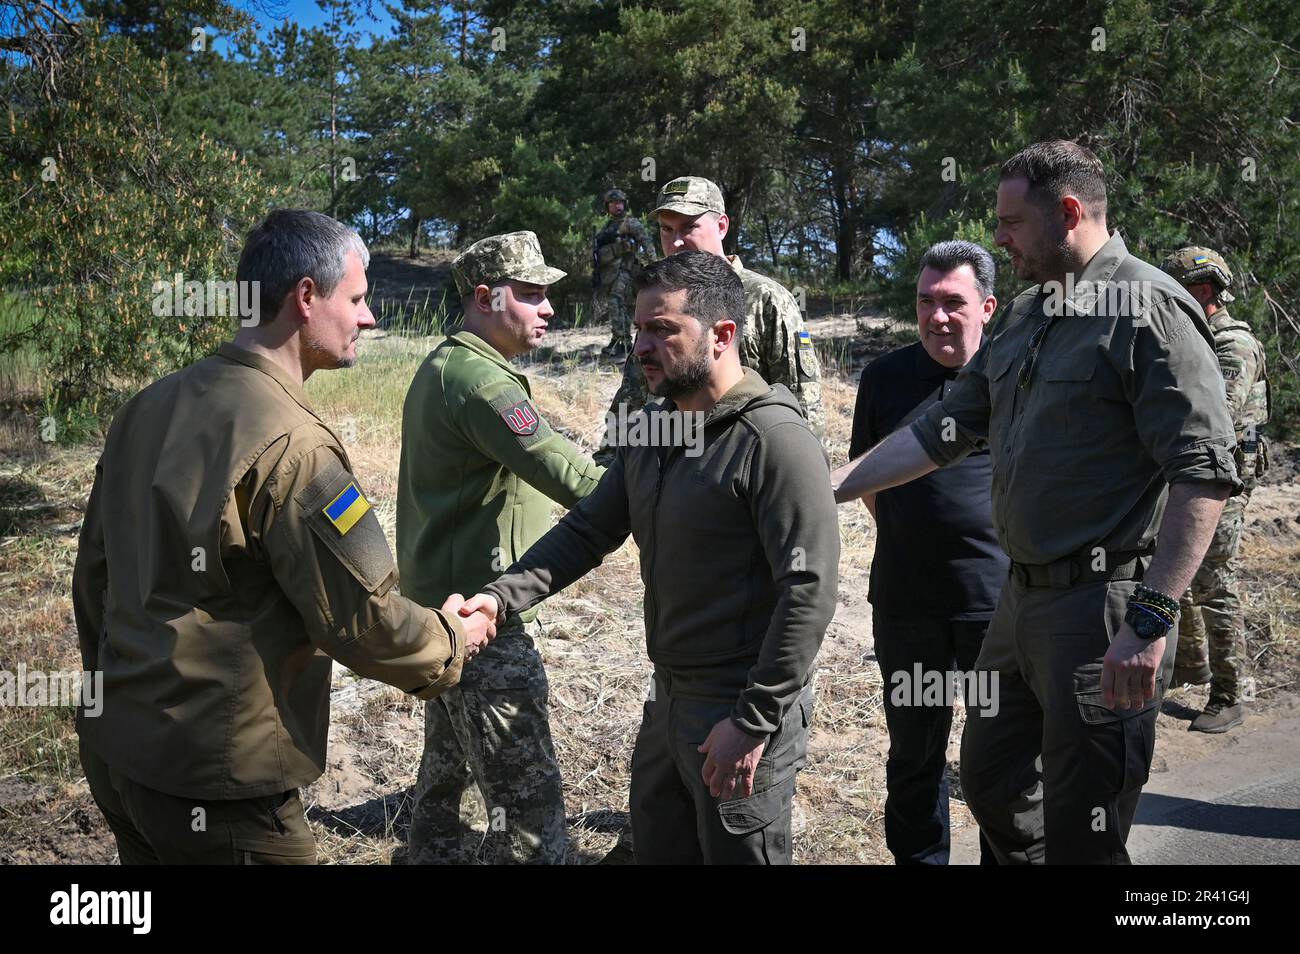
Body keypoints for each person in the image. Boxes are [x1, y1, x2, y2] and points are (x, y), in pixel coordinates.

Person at [832, 141, 1241, 864]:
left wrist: (1150, 619)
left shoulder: (1147, 309)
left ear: (1070, 213)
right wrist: (827, 488)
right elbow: (938, 432)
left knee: (1086, 820)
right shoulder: (1028, 313)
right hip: (1017, 605)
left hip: (1102, 607)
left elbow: (1203, 471)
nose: (1000, 238)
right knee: (990, 784)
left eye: (1012, 222)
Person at [71, 209, 492, 865]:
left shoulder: (148, 405)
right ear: (305, 297)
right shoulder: (295, 445)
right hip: (219, 787)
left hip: (120, 754)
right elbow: (360, 619)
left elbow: (93, 581)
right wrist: (449, 639)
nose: (370, 317)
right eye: (357, 298)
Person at [454, 251, 839, 864]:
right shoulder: (652, 429)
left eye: (662, 329)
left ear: (722, 336)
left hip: (739, 707)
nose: (641, 346)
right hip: (667, 702)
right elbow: (587, 531)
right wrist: (500, 597)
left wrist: (754, 721)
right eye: (638, 329)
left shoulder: (774, 442)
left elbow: (809, 591)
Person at [398, 231, 605, 864]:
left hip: (448, 607)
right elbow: (568, 475)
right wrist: (661, 498)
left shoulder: (449, 366)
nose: (548, 308)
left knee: (443, 783)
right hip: (484, 622)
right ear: (486, 298)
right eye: (533, 293)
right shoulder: (484, 385)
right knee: (531, 816)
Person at [849, 239, 1008, 864]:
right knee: (915, 757)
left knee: (999, 759)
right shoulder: (885, 377)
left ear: (987, 306)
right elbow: (867, 477)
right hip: (907, 606)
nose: (937, 316)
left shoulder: (1010, 373)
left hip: (994, 610)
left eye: (953, 302)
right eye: (925, 302)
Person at [595, 176, 824, 464]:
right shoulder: (656, 300)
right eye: (667, 229)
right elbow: (632, 398)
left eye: (689, 227)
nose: (676, 242)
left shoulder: (765, 299)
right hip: (669, 475)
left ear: (722, 226)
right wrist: (606, 472)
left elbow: (802, 405)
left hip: (742, 475)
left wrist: (800, 480)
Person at [1160, 246, 1270, 733]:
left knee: (1214, 582)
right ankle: (1190, 664)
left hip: (1224, 480)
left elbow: (1215, 412)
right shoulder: (1198, 340)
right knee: (1178, 566)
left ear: (1202, 292)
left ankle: (1229, 695)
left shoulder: (1233, 344)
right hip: (1191, 474)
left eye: (1178, 292)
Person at [592, 188, 655, 359]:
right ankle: (622, 340)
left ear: (624, 204)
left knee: (616, 301)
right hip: (610, 273)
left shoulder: (631, 223)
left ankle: (621, 340)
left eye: (619, 202)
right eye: (612, 203)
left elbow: (646, 243)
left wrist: (654, 268)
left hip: (626, 271)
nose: (616, 206)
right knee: (621, 306)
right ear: (608, 207)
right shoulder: (607, 227)